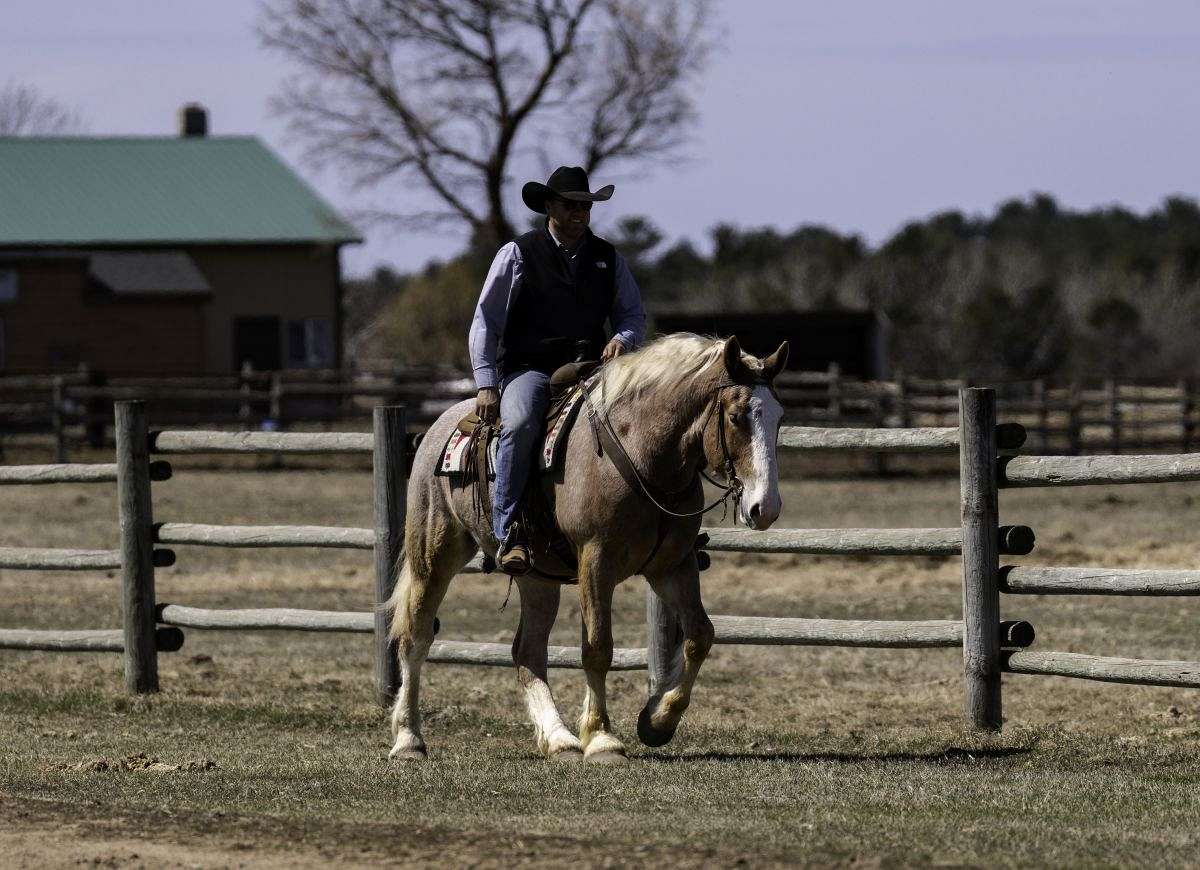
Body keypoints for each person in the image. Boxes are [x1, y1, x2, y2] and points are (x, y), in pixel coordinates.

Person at [468, 165, 647, 574]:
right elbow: (486, 321)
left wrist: (623, 339)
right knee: (521, 422)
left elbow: (632, 316)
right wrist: (486, 384)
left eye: (585, 205)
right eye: (570, 205)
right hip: (530, 368)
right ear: (549, 206)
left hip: (593, 368)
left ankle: (659, 528)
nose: (579, 213)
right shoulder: (517, 253)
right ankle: (508, 531)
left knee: (647, 416)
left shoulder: (608, 258)